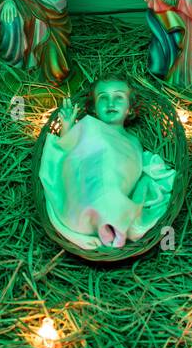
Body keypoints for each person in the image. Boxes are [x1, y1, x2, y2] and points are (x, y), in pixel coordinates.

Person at [40, 76, 175, 251]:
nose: (110, 103)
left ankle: (109, 220)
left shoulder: (133, 140)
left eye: (118, 97)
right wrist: (67, 127)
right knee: (99, 178)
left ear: (129, 108)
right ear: (94, 109)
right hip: (87, 188)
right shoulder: (89, 127)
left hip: (116, 181)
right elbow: (71, 155)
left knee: (111, 178)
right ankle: (102, 220)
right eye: (103, 97)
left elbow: (133, 166)